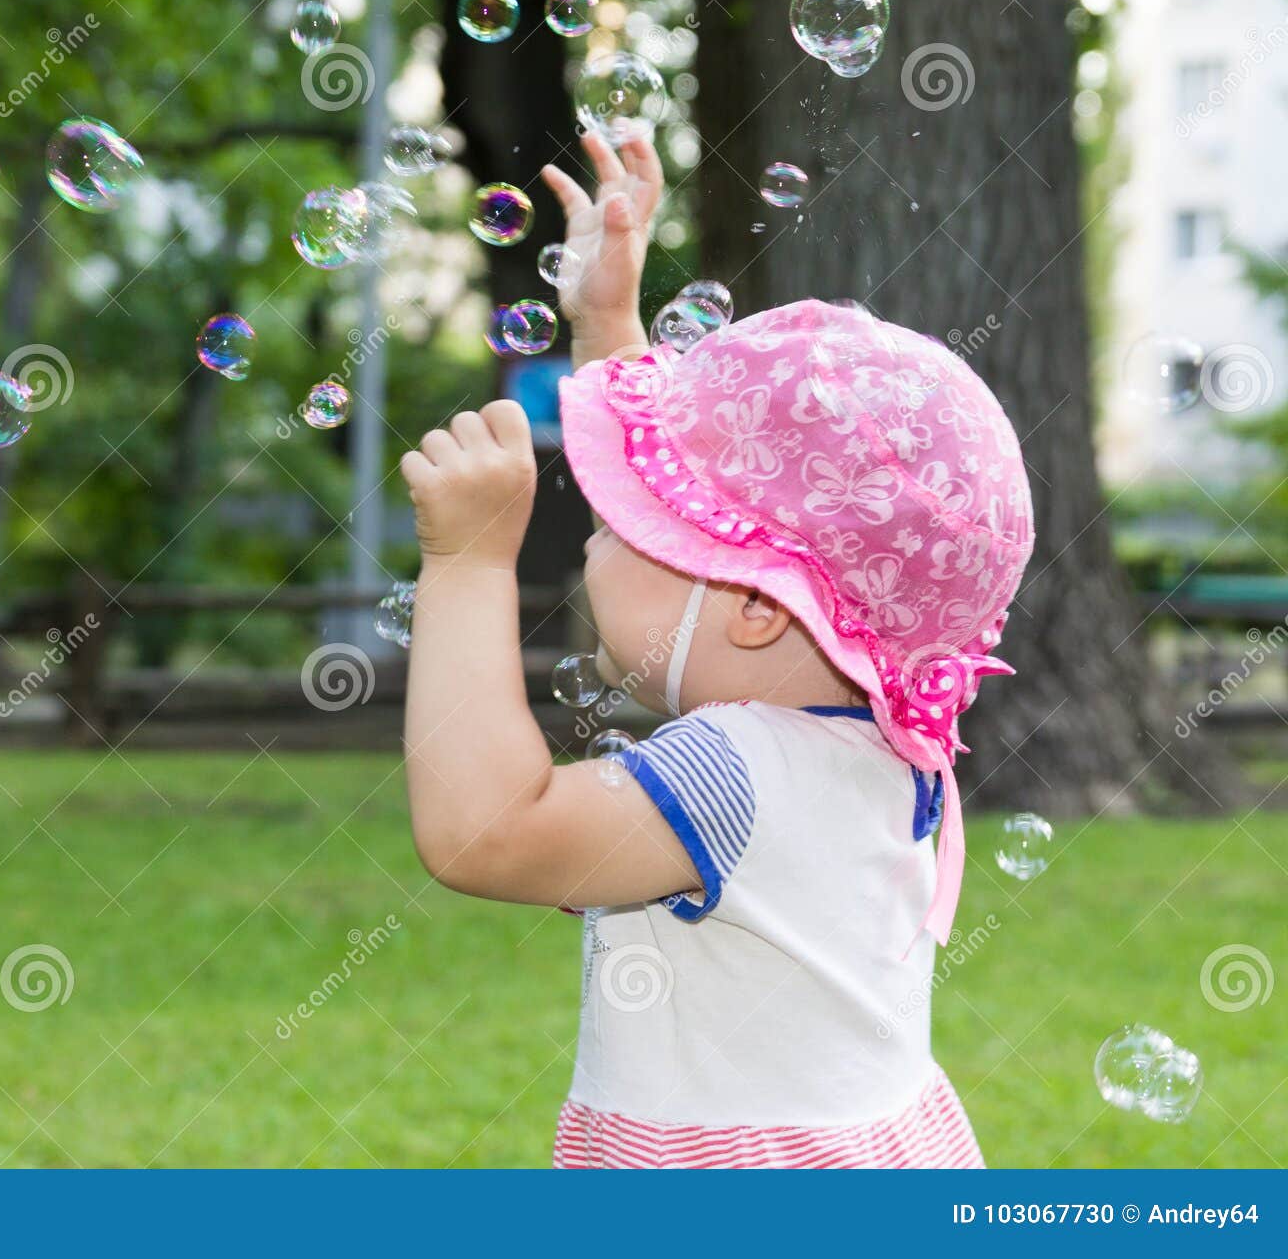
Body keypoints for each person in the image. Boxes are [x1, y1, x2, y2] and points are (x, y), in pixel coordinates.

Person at [397, 131, 1034, 1168]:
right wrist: (607, 319)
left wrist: (466, 564)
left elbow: (485, 834)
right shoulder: (878, 737)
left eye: (624, 528)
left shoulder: (731, 767)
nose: (593, 531)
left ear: (751, 606)